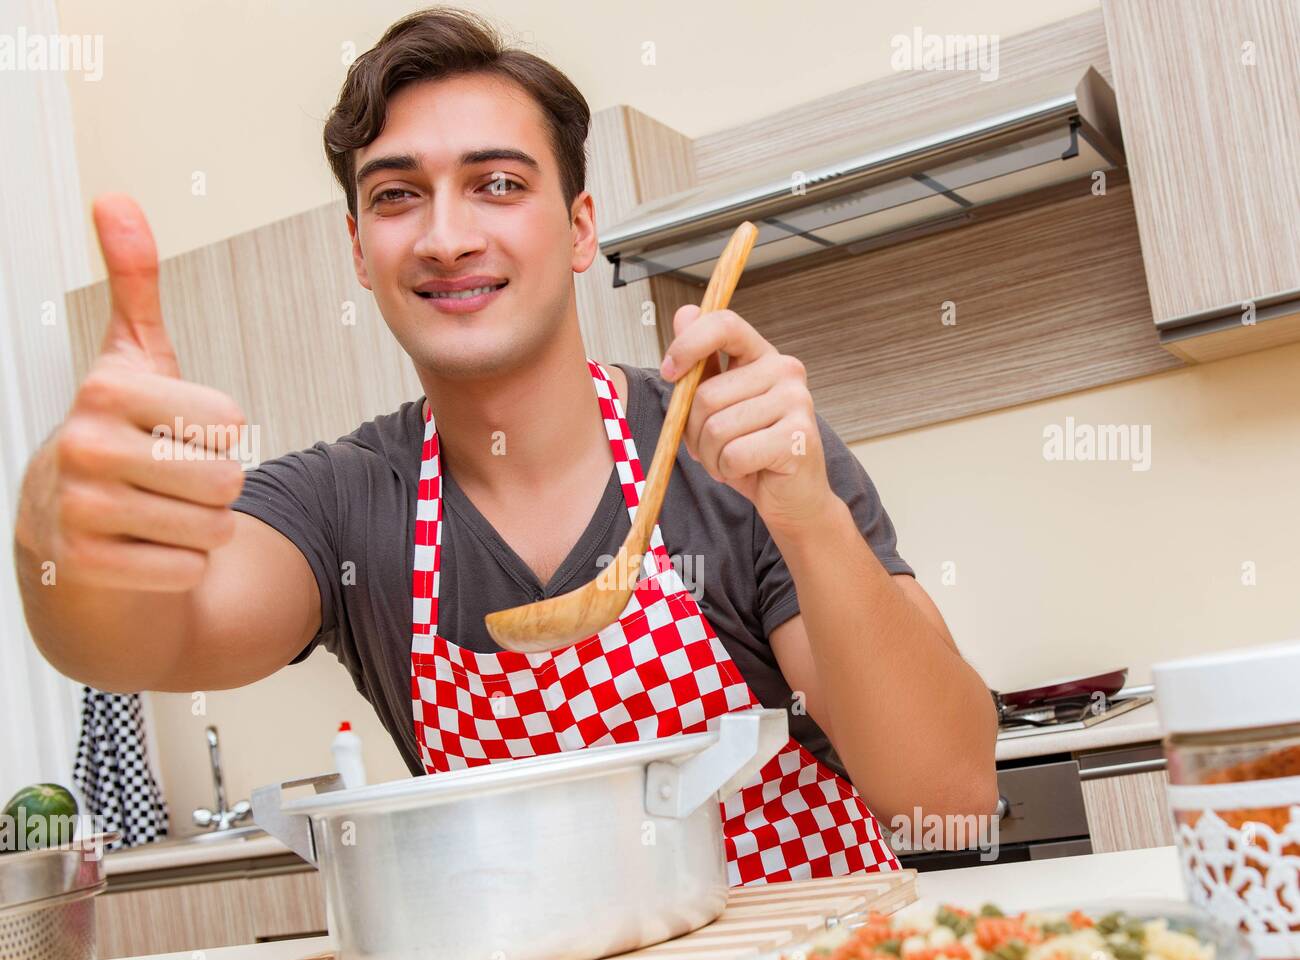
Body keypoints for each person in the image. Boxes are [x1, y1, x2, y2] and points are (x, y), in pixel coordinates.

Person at [14, 7, 997, 885]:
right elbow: (142, 636)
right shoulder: (349, 506)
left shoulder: (736, 449)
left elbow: (947, 797)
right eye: (397, 196)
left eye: (495, 183)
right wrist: (58, 531)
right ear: (359, 249)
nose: (445, 236)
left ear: (577, 230)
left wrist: (807, 518)